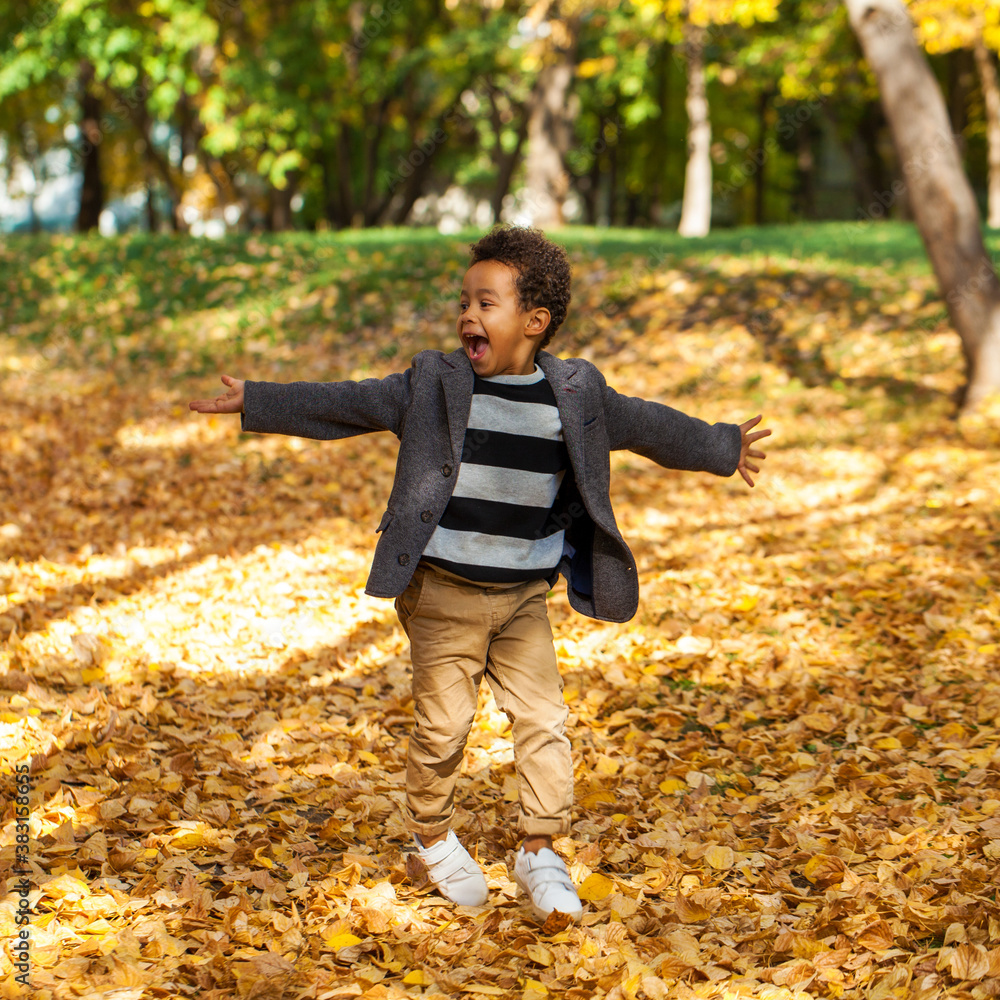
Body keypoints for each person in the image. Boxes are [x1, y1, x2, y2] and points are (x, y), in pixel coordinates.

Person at [189, 224, 770, 922]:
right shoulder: (435, 382)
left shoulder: (577, 394)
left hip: (524, 597)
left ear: (534, 322)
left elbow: (650, 426)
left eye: (486, 303)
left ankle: (540, 851)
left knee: (545, 721)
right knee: (445, 728)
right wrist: (259, 399)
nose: (468, 314)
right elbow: (351, 401)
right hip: (443, 592)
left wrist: (722, 444)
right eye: (464, 301)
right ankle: (432, 840)